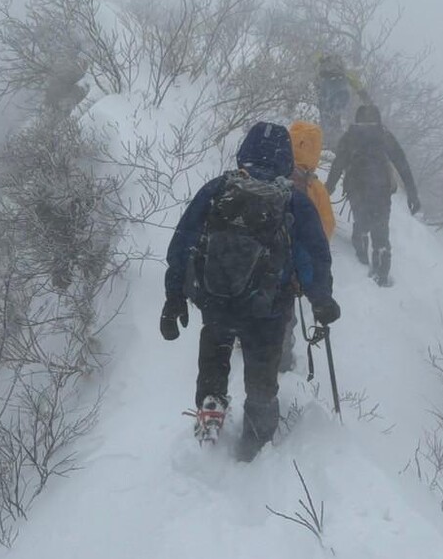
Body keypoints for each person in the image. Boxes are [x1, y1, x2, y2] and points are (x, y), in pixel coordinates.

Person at [160, 122, 339, 460]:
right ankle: (255, 447)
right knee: (261, 377)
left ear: (244, 152)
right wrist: (321, 299)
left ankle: (210, 408)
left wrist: (174, 297)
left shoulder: (218, 188)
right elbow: (313, 255)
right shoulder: (294, 202)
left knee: (214, 355)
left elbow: (183, 242)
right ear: (287, 159)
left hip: (216, 301)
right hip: (267, 309)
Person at [326, 103, 420, 286]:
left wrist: (327, 188)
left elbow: (338, 164)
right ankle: (381, 275)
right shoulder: (384, 135)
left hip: (356, 187)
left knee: (361, 221)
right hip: (381, 189)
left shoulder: (350, 136)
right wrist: (412, 193)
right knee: (381, 231)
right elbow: (402, 163)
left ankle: (361, 248)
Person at [280, 119, 336, 371]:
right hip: (293, 264)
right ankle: (281, 360)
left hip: (263, 260)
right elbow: (325, 227)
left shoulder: (275, 174)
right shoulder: (314, 186)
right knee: (284, 314)